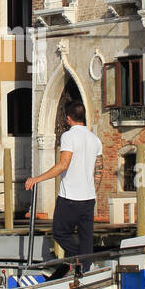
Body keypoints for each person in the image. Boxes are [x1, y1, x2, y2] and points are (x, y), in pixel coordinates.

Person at [25, 100, 103, 262]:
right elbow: (100, 169)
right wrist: (93, 189)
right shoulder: (95, 139)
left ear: (68, 118)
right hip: (89, 198)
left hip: (70, 198)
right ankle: (86, 268)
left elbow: (63, 165)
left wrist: (37, 179)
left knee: (60, 233)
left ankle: (80, 258)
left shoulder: (68, 136)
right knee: (86, 238)